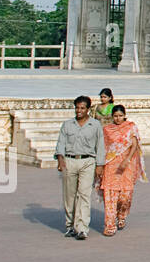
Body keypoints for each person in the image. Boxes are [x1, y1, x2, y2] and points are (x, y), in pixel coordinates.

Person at [55, 95, 106, 240]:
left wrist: (100, 165)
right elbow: (61, 144)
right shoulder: (67, 124)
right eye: (77, 107)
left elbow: (100, 146)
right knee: (69, 195)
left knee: (84, 195)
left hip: (88, 161)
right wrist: (60, 160)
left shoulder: (95, 125)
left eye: (82, 108)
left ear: (88, 109)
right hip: (70, 161)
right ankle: (70, 225)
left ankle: (82, 228)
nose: (79, 111)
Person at [96, 105, 145, 236]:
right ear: (112, 117)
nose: (118, 118)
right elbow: (103, 147)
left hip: (127, 166)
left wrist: (127, 160)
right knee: (110, 195)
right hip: (111, 165)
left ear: (124, 115)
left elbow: (135, 145)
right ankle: (110, 226)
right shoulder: (107, 130)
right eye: (115, 116)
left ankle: (121, 216)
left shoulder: (130, 127)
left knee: (125, 196)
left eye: (120, 116)